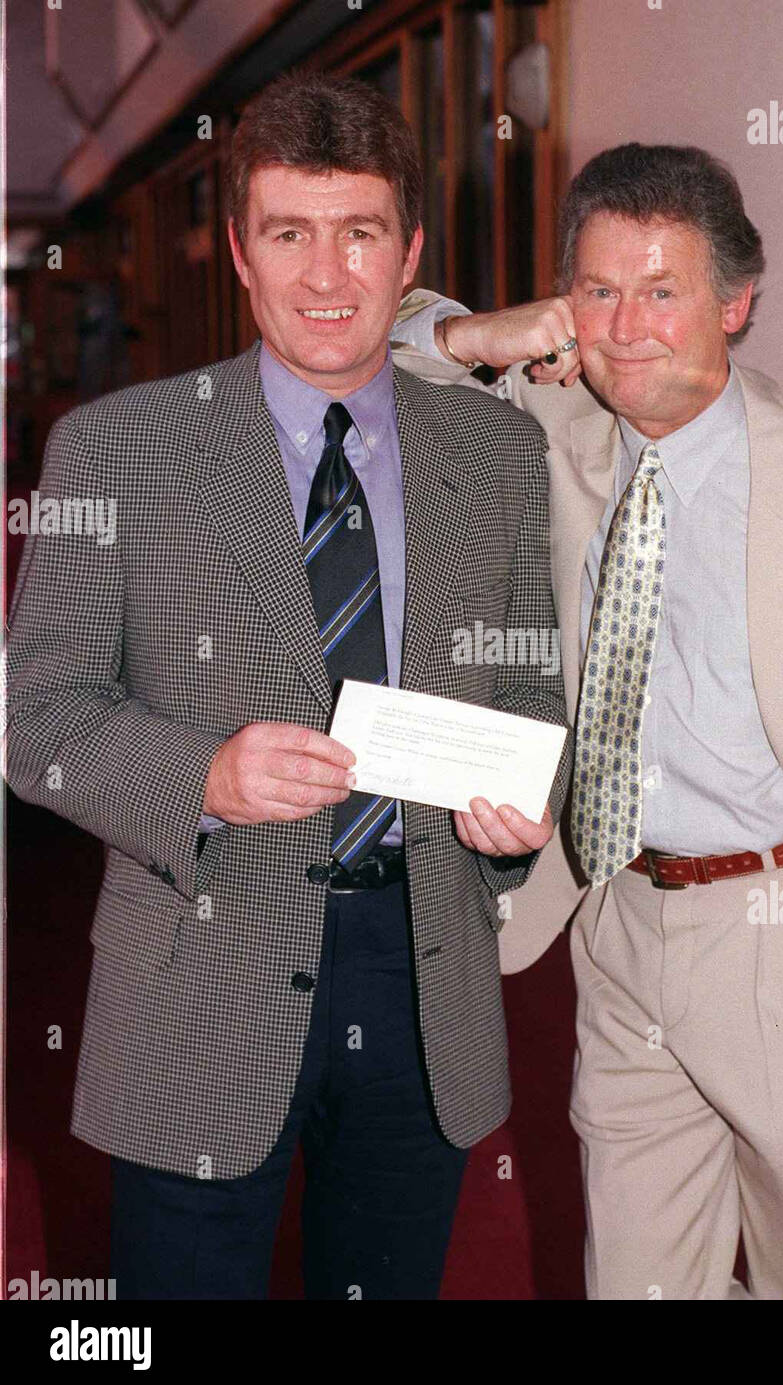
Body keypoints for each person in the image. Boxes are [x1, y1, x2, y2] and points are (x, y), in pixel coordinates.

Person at [391, 142, 783, 1299]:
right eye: (597, 289)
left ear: (736, 301)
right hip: (619, 922)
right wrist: (496, 333)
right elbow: (378, 340)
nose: (625, 329)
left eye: (661, 291)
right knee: (634, 1280)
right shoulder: (559, 424)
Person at [4, 72, 569, 1300]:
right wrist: (200, 775)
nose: (327, 276)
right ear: (243, 258)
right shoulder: (120, 449)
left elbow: (530, 692)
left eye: (360, 233)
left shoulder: (499, 452)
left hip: (422, 973)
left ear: (408, 249)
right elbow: (30, 717)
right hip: (200, 966)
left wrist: (521, 822)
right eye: (289, 234)